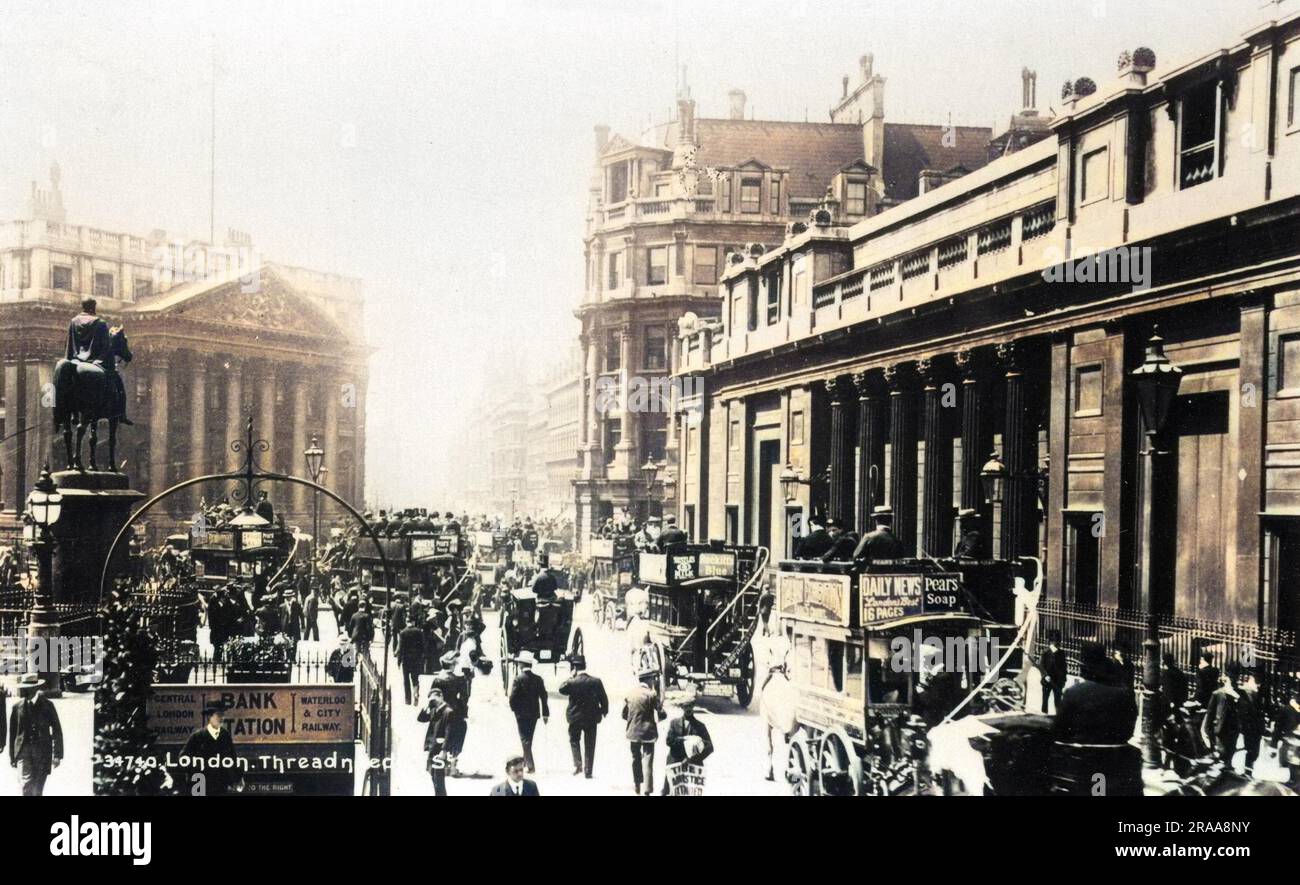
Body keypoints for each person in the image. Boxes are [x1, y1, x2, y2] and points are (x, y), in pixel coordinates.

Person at [1053, 641, 1138, 744]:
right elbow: (1128, 731)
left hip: (1081, 754)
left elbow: (1060, 730)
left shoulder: (1073, 693)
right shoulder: (1124, 695)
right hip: (1114, 755)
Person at [7, 674, 63, 796]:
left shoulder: (48, 706)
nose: (24, 691)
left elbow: (57, 730)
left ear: (35, 688)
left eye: (27, 688)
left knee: (38, 789)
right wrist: (12, 756)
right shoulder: (17, 708)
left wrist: (57, 755)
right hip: (23, 752)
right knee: (26, 786)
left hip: (42, 751)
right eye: (23, 688)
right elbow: (12, 734)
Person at [558, 654, 608, 778]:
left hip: (574, 718)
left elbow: (561, 689)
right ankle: (588, 771)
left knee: (574, 740)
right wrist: (603, 711)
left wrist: (570, 677)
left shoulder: (572, 682)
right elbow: (604, 699)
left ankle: (578, 764)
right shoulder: (596, 681)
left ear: (574, 667)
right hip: (591, 718)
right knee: (590, 744)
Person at [179, 701, 238, 796]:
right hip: (201, 786)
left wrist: (237, 778)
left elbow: (232, 758)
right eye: (219, 715)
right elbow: (183, 758)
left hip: (221, 785)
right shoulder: (198, 736)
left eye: (223, 714)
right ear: (209, 717)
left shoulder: (225, 735)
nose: (222, 718)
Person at [662, 692, 714, 795]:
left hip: (693, 764)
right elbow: (669, 741)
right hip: (675, 761)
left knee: (691, 791)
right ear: (682, 707)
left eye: (690, 706)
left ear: (693, 706)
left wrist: (693, 759)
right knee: (669, 790)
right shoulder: (674, 723)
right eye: (686, 706)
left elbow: (710, 747)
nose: (688, 709)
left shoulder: (700, 726)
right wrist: (685, 740)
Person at [622, 673, 665, 796]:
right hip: (648, 733)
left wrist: (634, 721)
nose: (653, 681)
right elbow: (661, 713)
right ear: (648, 679)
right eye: (652, 679)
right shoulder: (651, 694)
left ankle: (637, 785)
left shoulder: (630, 694)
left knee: (635, 758)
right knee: (648, 759)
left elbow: (624, 714)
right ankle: (647, 789)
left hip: (633, 732)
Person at [508, 652, 549, 772]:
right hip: (534, 713)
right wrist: (545, 713)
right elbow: (544, 696)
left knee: (524, 739)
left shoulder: (518, 679)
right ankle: (526, 762)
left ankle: (530, 765)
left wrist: (514, 709)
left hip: (521, 714)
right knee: (528, 738)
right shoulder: (538, 679)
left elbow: (512, 698)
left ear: (521, 664)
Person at [1202, 662, 1242, 768]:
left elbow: (1245, 708)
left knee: (1230, 752)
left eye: (1235, 678)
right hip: (1220, 730)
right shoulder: (1218, 694)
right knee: (1221, 754)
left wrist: (1236, 696)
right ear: (1225, 678)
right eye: (1230, 678)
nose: (1233, 681)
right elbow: (1210, 712)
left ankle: (1226, 771)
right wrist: (1207, 729)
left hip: (1233, 730)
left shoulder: (1240, 694)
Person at [417, 685, 453, 796]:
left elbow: (449, 732)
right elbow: (421, 718)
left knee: (439, 779)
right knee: (433, 775)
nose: (433, 701)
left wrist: (444, 750)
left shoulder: (448, 711)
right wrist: (426, 706)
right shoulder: (434, 710)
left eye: (434, 698)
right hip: (432, 748)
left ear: (441, 697)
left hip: (440, 749)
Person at [1237, 669, 1265, 775]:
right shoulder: (1242, 693)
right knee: (1250, 750)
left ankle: (1249, 769)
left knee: (1255, 752)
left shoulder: (1259, 693)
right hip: (1248, 727)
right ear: (1250, 680)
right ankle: (1247, 771)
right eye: (1256, 682)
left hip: (1256, 728)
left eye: (1259, 682)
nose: (1258, 685)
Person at [397, 616, 427, 705]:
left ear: (407, 622)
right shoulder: (419, 632)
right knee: (415, 678)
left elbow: (400, 648)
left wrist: (399, 661)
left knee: (406, 680)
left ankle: (408, 699)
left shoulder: (403, 632)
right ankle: (416, 692)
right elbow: (423, 645)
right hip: (416, 659)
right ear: (413, 622)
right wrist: (422, 657)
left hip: (406, 659)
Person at [1039, 630, 1067, 714]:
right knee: (1045, 700)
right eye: (1055, 642)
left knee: (1058, 702)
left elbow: (1064, 668)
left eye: (1058, 641)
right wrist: (1045, 676)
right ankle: (1044, 716)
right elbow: (1041, 666)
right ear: (1051, 642)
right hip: (1047, 681)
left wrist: (1063, 679)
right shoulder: (1045, 653)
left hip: (1058, 681)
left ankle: (1057, 718)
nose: (1057, 644)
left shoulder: (1061, 653)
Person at [1160, 652, 1188, 718]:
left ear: (1164, 662)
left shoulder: (1166, 673)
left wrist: (1171, 701)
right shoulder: (1179, 672)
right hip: (1179, 701)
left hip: (1169, 702)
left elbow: (1168, 689)